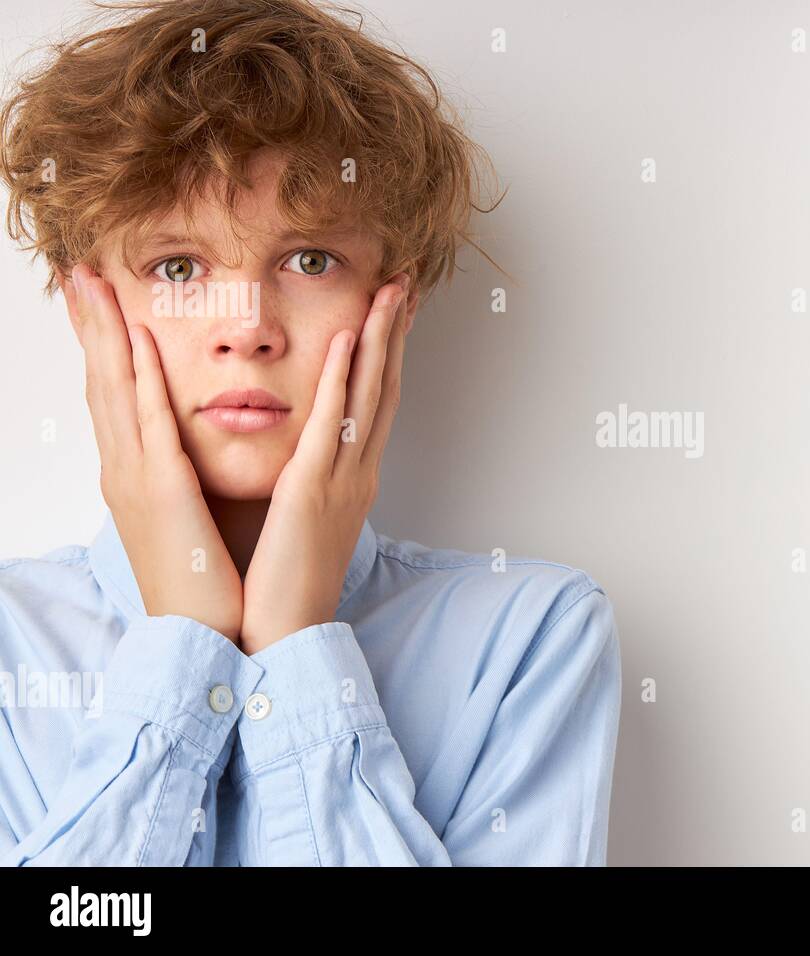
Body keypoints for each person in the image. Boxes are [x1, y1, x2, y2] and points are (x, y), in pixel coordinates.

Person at [0, 0, 621, 865]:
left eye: (309, 261)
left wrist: (295, 643)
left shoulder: (525, 640)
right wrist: (185, 643)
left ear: (389, 312)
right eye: (178, 266)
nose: (246, 325)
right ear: (88, 310)